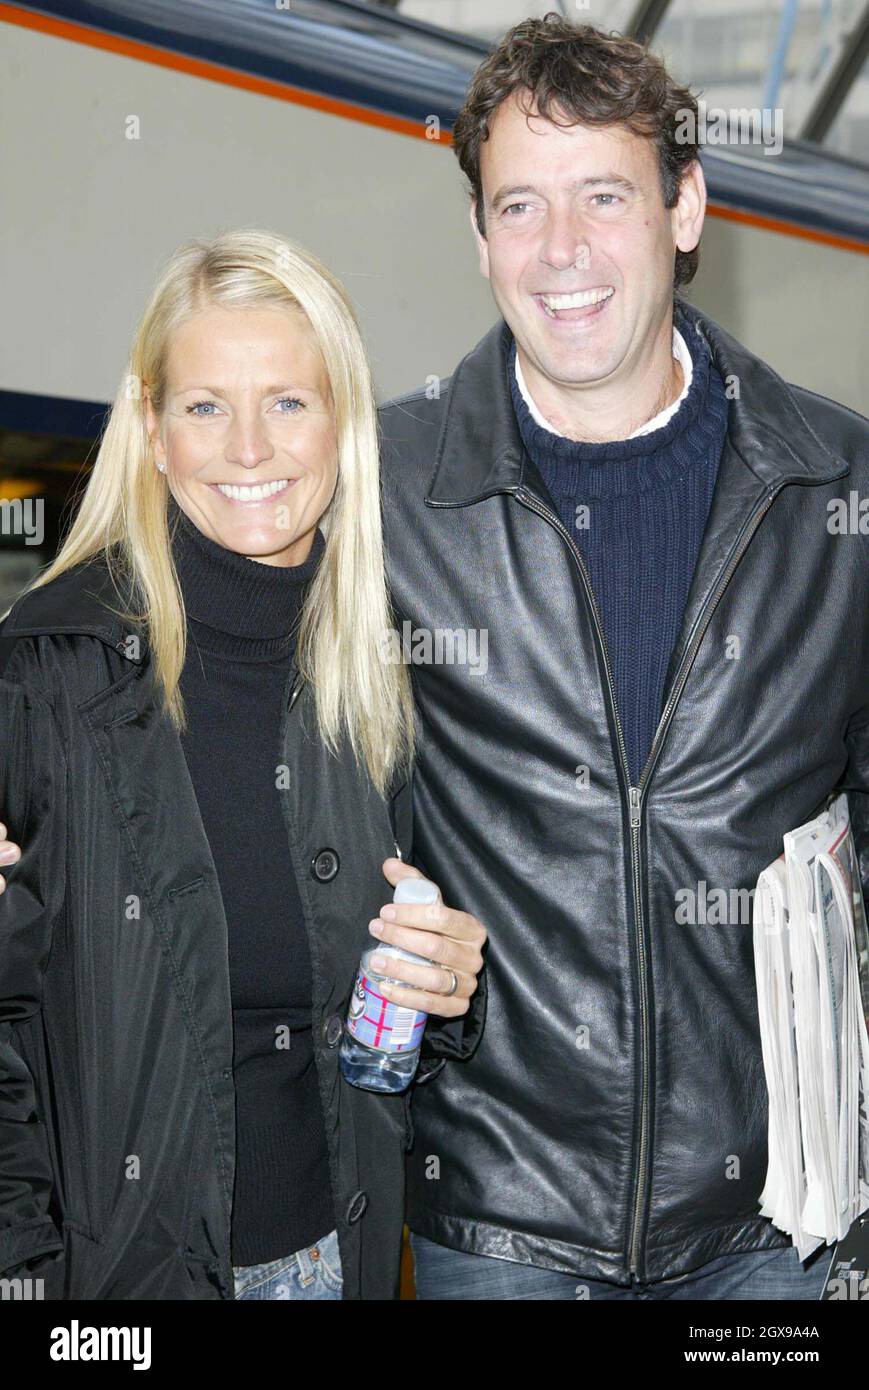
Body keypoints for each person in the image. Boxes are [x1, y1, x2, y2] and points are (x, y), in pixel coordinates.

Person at [373, 17, 868, 1298]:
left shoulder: (836, 485)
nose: (560, 252)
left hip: (770, 1221)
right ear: (479, 239)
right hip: (496, 1218)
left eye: (604, 196)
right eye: (518, 206)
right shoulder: (386, 487)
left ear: (684, 208)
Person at [0, 228, 486, 1301]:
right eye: (206, 405)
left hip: (341, 1258)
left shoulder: (389, 676)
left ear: (341, 428)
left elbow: (402, 1032)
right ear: (155, 430)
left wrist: (456, 992)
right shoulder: (44, 677)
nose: (250, 449)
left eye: (289, 402)